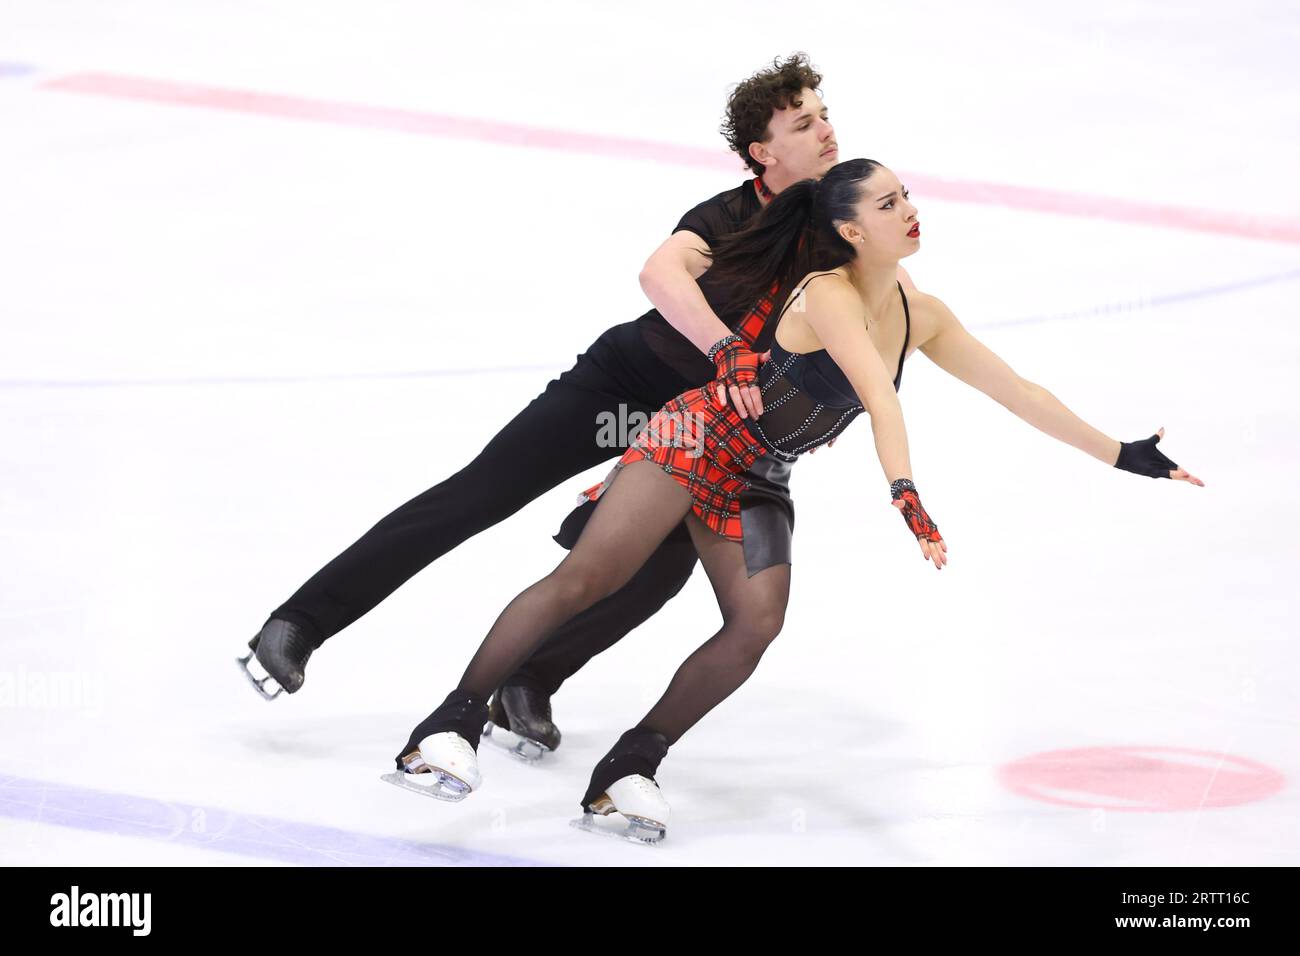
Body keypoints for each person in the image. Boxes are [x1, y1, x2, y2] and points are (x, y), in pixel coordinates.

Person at [383, 158, 1200, 842]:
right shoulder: (827, 294)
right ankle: (447, 727)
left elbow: (1018, 390)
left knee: (755, 625)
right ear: (850, 230)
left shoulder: (923, 313)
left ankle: (628, 767)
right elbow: (880, 398)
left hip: (760, 473)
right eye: (889, 204)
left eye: (906, 197)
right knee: (589, 578)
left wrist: (1120, 452)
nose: (910, 211)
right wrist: (905, 492)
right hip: (693, 440)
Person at [238, 54, 913, 753]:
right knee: (480, 494)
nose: (827, 131)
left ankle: (528, 681)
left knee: (659, 570)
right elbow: (659, 271)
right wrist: (725, 348)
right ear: (762, 153)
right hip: (624, 389)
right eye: (804, 123)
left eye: (825, 116)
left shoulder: (841, 242)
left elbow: (877, 329)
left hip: (706, 429)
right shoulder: (732, 214)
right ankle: (298, 623)